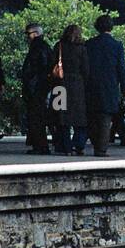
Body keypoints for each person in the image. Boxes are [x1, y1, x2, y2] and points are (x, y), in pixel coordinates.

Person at [85, 14, 125, 157]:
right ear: (111, 27)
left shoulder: (90, 44)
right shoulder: (117, 45)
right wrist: (124, 88)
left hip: (91, 84)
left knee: (92, 115)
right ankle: (101, 148)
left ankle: (94, 141)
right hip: (110, 85)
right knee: (105, 118)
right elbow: (121, 68)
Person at [50, 23, 90, 155]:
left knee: (60, 117)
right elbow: (85, 69)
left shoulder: (59, 46)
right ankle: (77, 145)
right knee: (79, 118)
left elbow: (51, 64)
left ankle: (63, 145)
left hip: (60, 84)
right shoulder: (82, 49)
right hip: (77, 86)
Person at [21, 23, 54, 155]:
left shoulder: (37, 47)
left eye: (28, 34)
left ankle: (40, 146)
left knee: (36, 118)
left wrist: (27, 80)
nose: (27, 37)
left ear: (35, 33)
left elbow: (33, 68)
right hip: (41, 86)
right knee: (39, 117)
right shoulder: (45, 46)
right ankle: (41, 145)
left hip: (36, 87)